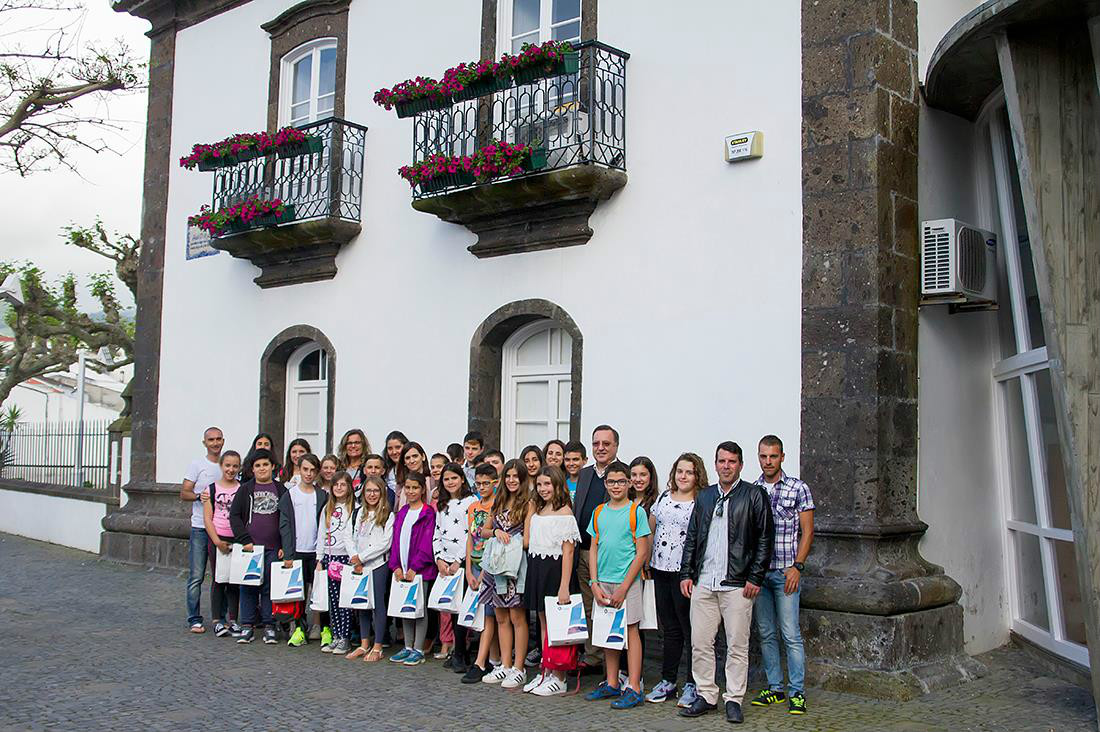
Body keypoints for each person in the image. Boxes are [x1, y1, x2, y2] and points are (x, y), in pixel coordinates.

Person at [678, 442, 774, 724]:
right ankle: (706, 695)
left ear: (740, 465)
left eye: (732, 461)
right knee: (701, 643)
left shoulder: (754, 495)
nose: (726, 466)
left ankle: (734, 699)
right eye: (722, 461)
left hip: (737, 584)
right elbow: (693, 536)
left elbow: (764, 540)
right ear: (716, 463)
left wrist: (755, 577)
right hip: (704, 582)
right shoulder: (705, 496)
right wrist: (687, 573)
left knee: (737, 645)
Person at [749, 435, 815, 716]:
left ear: (782, 457)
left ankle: (796, 692)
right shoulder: (752, 490)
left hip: (786, 572)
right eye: (763, 456)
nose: (767, 462)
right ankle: (775, 688)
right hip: (760, 575)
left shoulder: (798, 488)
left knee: (790, 634)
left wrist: (797, 566)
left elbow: (808, 531)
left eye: (772, 456)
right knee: (765, 633)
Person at [583, 461, 652, 710]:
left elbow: (641, 553)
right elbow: (593, 549)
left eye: (621, 481)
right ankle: (612, 682)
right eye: (611, 481)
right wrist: (594, 582)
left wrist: (624, 586)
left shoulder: (636, 512)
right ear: (605, 483)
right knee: (607, 633)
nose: (616, 486)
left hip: (628, 583)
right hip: (603, 582)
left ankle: (633, 686)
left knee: (631, 632)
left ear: (629, 483)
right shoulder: (599, 512)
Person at [645, 452, 707, 707]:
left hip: (685, 574)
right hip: (660, 570)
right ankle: (668, 681)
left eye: (689, 472)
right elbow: (650, 530)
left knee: (689, 629)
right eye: (680, 471)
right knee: (669, 628)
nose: (683, 476)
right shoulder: (662, 498)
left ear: (697, 475)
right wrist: (647, 562)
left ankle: (693, 683)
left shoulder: (701, 502)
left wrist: (691, 572)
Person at [522, 466, 580, 696]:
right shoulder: (538, 510)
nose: (543, 489)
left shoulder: (565, 513)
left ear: (557, 486)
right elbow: (528, 541)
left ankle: (560, 676)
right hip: (537, 567)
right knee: (544, 624)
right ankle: (546, 669)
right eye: (540, 484)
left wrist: (564, 585)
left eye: (548, 484)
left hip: (556, 571)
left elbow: (568, 552)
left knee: (558, 627)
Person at [479, 459, 531, 689]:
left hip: (515, 567)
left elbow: (528, 539)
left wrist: (512, 541)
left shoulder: (528, 503)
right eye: (508, 476)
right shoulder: (499, 501)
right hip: (495, 566)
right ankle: (506, 665)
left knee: (517, 617)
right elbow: (484, 530)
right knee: (500, 616)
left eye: (515, 476)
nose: (511, 480)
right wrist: (496, 531)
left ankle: (519, 667)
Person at [228, 448, 287, 645]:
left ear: (272, 467)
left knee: (270, 585)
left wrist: (283, 545)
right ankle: (247, 625)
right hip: (250, 548)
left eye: (265, 465)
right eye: (258, 465)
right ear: (252, 469)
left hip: (273, 547)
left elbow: (286, 520)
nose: (262, 468)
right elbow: (235, 515)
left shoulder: (281, 490)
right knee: (248, 586)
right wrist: (244, 540)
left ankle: (270, 624)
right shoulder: (245, 489)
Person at [573, 425, 618, 671]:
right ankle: (593, 655)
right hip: (584, 550)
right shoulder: (585, 473)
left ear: (615, 447)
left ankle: (613, 658)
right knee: (589, 603)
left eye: (606, 444)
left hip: (610, 554)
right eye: (596, 444)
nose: (600, 448)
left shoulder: (622, 473)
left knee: (610, 603)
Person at [388, 470, 437, 666]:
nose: (411, 491)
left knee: (419, 610)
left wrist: (415, 567)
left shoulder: (427, 513)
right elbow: (396, 543)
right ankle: (407, 646)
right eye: (407, 487)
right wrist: (395, 566)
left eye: (415, 487)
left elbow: (427, 543)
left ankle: (418, 648)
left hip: (419, 571)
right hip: (403, 569)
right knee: (405, 609)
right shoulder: (402, 513)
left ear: (422, 489)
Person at [278, 453, 326, 648]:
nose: (308, 474)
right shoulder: (291, 494)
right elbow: (285, 524)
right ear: (299, 469)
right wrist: (288, 553)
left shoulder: (321, 495)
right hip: (296, 549)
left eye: (313, 470)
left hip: (315, 551)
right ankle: (297, 626)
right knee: (298, 593)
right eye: (305, 469)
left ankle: (320, 626)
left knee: (318, 590)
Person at [433, 462, 477, 668]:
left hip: (463, 561)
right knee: (449, 607)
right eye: (446, 479)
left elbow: (471, 532)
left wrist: (459, 560)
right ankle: (456, 650)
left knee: (461, 608)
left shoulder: (471, 501)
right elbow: (437, 532)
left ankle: (461, 651)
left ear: (462, 479)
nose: (450, 482)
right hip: (445, 561)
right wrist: (439, 558)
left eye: (454, 478)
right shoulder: (441, 504)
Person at [181, 426, 225, 633]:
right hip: (200, 527)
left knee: (221, 576)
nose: (215, 443)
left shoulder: (226, 465)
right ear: (204, 443)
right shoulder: (197, 465)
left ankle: (220, 617)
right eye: (211, 440)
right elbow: (184, 492)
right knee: (197, 575)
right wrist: (199, 496)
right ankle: (194, 618)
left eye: (218, 439)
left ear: (223, 441)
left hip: (221, 527)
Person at [347, 476, 394, 662]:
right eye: (368, 491)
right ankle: (364, 643)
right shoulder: (359, 513)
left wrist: (363, 557)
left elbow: (385, 543)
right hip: (360, 565)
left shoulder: (387, 515)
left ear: (381, 492)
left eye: (376, 491)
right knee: (361, 605)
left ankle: (377, 646)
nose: (372, 494)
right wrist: (354, 557)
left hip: (377, 565)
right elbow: (348, 536)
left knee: (377, 605)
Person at [461, 463, 500, 683]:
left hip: (491, 566)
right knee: (481, 616)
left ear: (495, 483)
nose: (483, 487)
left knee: (489, 616)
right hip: (474, 565)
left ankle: (481, 661)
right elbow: (470, 538)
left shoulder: (497, 505)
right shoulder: (474, 506)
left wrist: (485, 571)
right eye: (479, 483)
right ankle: (493, 659)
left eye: (487, 483)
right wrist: (468, 570)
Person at [201, 450, 242, 638]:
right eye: (228, 465)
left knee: (235, 581)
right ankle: (218, 619)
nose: (231, 469)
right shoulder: (211, 489)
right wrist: (217, 541)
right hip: (218, 538)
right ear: (221, 466)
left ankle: (233, 619)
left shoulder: (242, 488)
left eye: (235, 466)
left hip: (236, 540)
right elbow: (207, 519)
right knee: (219, 580)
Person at [315, 473, 356, 655]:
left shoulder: (354, 508)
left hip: (346, 559)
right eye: (336, 485)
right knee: (333, 600)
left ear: (349, 487)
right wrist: (319, 558)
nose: (339, 488)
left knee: (344, 601)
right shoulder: (327, 508)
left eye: (343, 485)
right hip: (330, 559)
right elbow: (321, 533)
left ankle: (346, 637)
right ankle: (337, 635)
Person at [338, 429, 371, 496]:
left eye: (357, 443)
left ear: (363, 445)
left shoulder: (369, 467)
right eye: (349, 443)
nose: (353, 446)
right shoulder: (338, 467)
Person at [382, 430, 408, 497]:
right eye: (390, 448)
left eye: (398, 447)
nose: (394, 452)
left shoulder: (413, 468)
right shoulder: (386, 472)